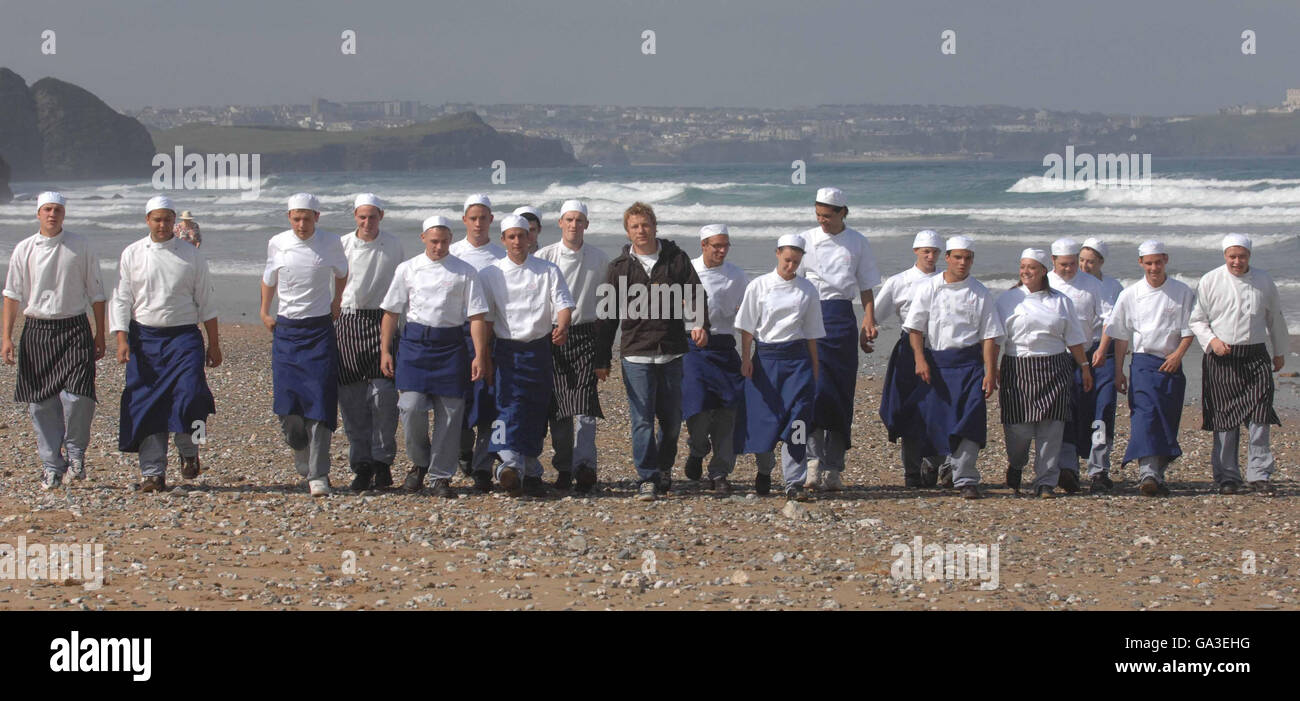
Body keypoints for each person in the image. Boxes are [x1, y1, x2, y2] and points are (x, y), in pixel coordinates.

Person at [596, 201, 710, 502]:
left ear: (654, 226)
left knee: (672, 422)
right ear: (627, 231)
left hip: (671, 351)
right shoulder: (618, 268)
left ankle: (664, 468)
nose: (641, 230)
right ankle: (647, 477)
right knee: (642, 420)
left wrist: (699, 323)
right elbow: (607, 316)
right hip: (636, 355)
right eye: (634, 226)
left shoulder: (676, 259)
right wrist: (601, 357)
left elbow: (696, 292)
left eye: (645, 224)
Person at [111, 195, 220, 492]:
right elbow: (122, 298)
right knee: (147, 405)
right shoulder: (132, 253)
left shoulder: (192, 255)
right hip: (145, 338)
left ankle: (191, 450)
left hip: (184, 338)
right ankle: (152, 473)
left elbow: (206, 302)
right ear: (148, 220)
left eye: (167, 219)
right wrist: (121, 338)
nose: (162, 224)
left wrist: (214, 343)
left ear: (175, 222)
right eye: (157, 219)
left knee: (192, 397)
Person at [379, 215, 490, 499]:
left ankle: (441, 475)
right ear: (423, 239)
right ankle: (419, 462)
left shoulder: (465, 271)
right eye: (433, 241)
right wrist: (385, 350)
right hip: (415, 344)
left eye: (443, 241)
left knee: (451, 413)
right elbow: (392, 312)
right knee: (411, 406)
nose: (438, 247)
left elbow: (476, 315)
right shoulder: (408, 269)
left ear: (450, 240)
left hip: (451, 346)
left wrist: (479, 355)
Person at [2, 191, 107, 490]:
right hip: (37, 329)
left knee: (79, 397)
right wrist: (6, 338)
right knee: (40, 404)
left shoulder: (81, 246)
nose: (52, 214)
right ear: (38, 214)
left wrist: (101, 333)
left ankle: (75, 452)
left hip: (75, 328)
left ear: (64, 214)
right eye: (47, 209)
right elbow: (12, 295)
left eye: (57, 210)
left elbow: (97, 293)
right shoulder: (24, 249)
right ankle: (51, 465)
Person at [479, 214, 575, 497]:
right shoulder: (490, 273)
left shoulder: (547, 270)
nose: (518, 241)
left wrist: (563, 325)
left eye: (522, 236)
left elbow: (563, 303)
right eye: (511, 237)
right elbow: (485, 319)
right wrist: (482, 354)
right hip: (506, 350)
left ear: (530, 237)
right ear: (503, 240)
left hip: (538, 349)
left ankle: (531, 470)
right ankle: (506, 463)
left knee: (535, 409)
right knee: (505, 408)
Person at [902, 235, 1003, 499]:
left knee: (971, 419)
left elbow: (990, 335)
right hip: (937, 362)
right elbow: (915, 328)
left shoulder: (980, 292)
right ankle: (932, 463)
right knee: (936, 420)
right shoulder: (930, 288)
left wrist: (991, 371)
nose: (962, 263)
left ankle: (966, 477)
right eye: (957, 257)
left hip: (969, 365)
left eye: (967, 258)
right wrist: (920, 359)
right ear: (947, 258)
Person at [260, 193, 348, 497]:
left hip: (319, 330)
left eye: (307, 219)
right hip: (286, 330)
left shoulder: (331, 242)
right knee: (288, 405)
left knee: (321, 401)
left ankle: (318, 474)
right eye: (296, 219)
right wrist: (264, 311)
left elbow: (342, 272)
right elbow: (269, 278)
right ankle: (299, 449)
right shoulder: (277, 243)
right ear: (289, 218)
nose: (301, 224)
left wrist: (337, 301)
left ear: (317, 218)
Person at [1189, 233, 1288, 495]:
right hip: (1221, 357)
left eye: (1241, 256)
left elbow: (1275, 318)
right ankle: (1227, 476)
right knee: (1225, 420)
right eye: (1232, 256)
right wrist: (1213, 341)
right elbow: (1197, 320)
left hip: (1256, 357)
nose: (1237, 261)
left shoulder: (1264, 280)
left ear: (1249, 256)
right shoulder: (1210, 280)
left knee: (1259, 417)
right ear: (1225, 256)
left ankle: (1259, 474)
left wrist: (1279, 353)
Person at [1095, 240, 1195, 498]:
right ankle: (1147, 473)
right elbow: (1118, 332)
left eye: (1158, 262)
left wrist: (1177, 355)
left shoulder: (1182, 291)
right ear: (1141, 263)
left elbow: (1189, 330)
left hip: (1171, 363)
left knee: (1167, 420)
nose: (1154, 267)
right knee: (1144, 417)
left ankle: (1157, 473)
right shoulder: (1130, 294)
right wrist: (1117, 370)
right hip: (1142, 363)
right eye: (1148, 263)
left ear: (1165, 260)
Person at [797, 187, 880, 491]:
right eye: (818, 215)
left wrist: (869, 319)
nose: (823, 222)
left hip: (842, 318)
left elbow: (867, 286)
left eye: (828, 216)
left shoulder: (858, 242)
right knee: (813, 391)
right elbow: (792, 280)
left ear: (843, 212)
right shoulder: (805, 240)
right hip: (810, 316)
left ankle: (834, 466)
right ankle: (811, 462)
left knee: (840, 393)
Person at [995, 249, 1091, 498]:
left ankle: (1045, 481)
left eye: (1032, 267)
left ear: (1043, 271)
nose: (1026, 271)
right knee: (1019, 431)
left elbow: (1074, 338)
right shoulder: (1007, 300)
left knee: (1052, 428)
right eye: (1023, 266)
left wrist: (1084, 367)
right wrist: (991, 368)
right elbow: (995, 340)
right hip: (1018, 367)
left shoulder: (1061, 300)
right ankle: (1016, 463)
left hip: (1055, 366)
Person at [736, 233, 824, 500]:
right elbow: (747, 327)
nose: (791, 266)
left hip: (797, 361)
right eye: (787, 260)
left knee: (798, 421)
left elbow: (811, 332)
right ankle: (764, 469)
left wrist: (815, 367)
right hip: (766, 360)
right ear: (777, 254)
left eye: (796, 262)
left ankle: (793, 481)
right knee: (765, 421)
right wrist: (746, 358)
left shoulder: (807, 289)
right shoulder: (759, 286)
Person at [536, 200, 610, 494]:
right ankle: (564, 468)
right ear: (560, 223)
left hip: (586, 336)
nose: (574, 225)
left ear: (587, 225)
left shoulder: (599, 259)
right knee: (560, 410)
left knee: (586, 406)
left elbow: (607, 305)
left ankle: (586, 467)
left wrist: (604, 351)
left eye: (579, 220)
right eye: (569, 220)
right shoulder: (545, 256)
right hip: (553, 337)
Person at [336, 193, 404, 491]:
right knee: (352, 401)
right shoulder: (340, 245)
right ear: (355, 217)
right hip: (347, 321)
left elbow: (402, 287)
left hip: (383, 321)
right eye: (362, 217)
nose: (367, 222)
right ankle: (361, 465)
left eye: (372, 217)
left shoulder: (393, 245)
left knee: (384, 397)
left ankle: (383, 462)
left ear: (381, 216)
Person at [682, 224, 748, 493]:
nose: (721, 250)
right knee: (697, 409)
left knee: (727, 413)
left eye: (725, 246)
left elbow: (746, 315)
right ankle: (697, 448)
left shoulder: (737, 275)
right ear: (703, 245)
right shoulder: (687, 271)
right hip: (694, 348)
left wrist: (748, 356)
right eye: (716, 245)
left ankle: (720, 471)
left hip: (724, 346)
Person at [876, 230, 942, 488]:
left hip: (940, 347)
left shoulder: (947, 280)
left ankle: (937, 463)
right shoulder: (898, 281)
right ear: (916, 251)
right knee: (911, 410)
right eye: (926, 251)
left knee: (939, 409)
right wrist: (866, 334)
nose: (930, 256)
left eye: (935, 252)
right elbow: (876, 315)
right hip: (908, 349)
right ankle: (912, 470)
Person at [450, 194, 507, 491]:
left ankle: (484, 464)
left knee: (488, 402)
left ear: (491, 221)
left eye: (483, 218)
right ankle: (462, 450)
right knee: (458, 399)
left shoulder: (501, 256)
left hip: (492, 336)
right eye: (473, 218)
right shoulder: (453, 253)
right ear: (464, 221)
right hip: (457, 335)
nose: (478, 224)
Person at [1046, 237, 1108, 493]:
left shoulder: (1092, 284)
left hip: (1088, 355)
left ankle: (1098, 469)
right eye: (1064, 265)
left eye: (1073, 264)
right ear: (1053, 262)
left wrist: (1102, 350)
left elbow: (1108, 318)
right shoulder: (1045, 283)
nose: (1070, 269)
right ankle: (1067, 468)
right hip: (1055, 358)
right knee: (1062, 415)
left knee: (1093, 414)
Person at [1080, 237, 1123, 493]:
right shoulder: (1068, 284)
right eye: (1082, 260)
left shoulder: (1112, 286)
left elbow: (1115, 324)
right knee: (1075, 410)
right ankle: (1068, 466)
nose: (1085, 266)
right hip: (1075, 352)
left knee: (1103, 410)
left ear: (1101, 263)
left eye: (1091, 262)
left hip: (1102, 353)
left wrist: (1109, 355)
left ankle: (1099, 468)